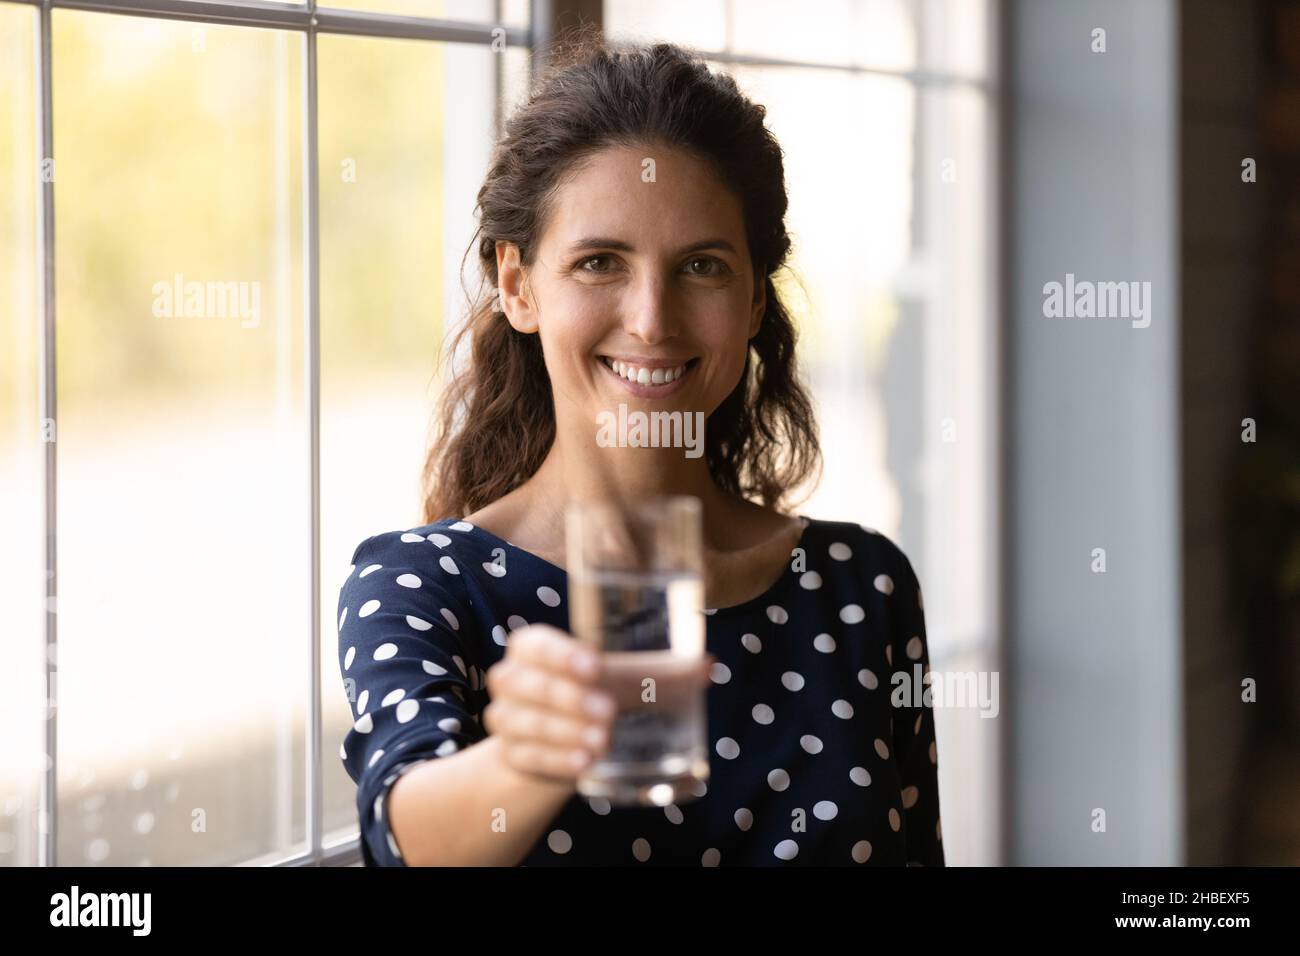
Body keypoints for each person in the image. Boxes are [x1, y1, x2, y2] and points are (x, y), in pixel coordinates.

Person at [336, 32, 943, 866]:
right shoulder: (427, 588)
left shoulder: (860, 587)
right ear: (518, 287)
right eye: (598, 263)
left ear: (755, 299)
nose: (653, 319)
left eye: (701, 266)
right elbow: (411, 841)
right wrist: (529, 759)